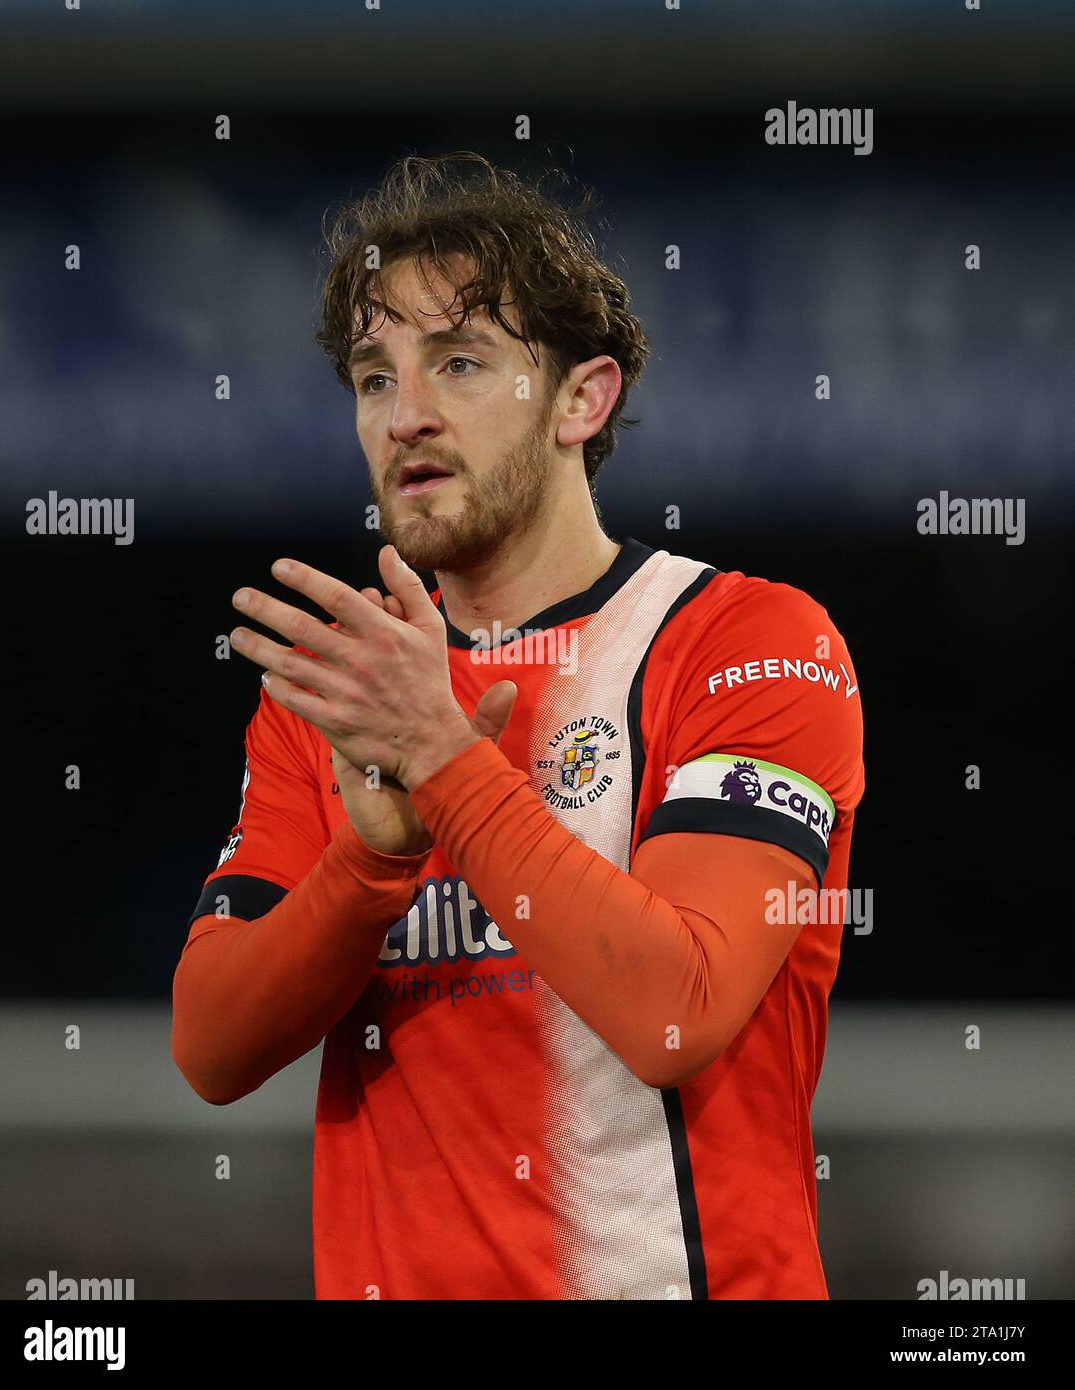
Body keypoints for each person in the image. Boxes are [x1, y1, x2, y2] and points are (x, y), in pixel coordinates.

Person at [171, 152, 864, 1300]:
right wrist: (373, 860)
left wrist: (445, 762)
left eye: (459, 362)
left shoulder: (747, 644)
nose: (407, 417)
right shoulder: (338, 696)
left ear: (580, 400)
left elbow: (677, 1009)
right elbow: (212, 1047)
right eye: (373, 377)